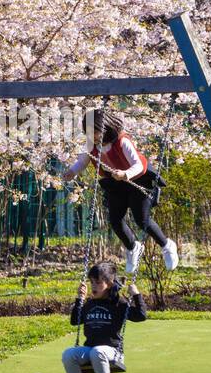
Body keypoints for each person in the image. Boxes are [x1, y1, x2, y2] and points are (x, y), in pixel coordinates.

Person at [63, 107, 178, 274]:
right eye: (87, 132)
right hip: (115, 184)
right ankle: (133, 247)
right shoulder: (91, 145)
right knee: (115, 220)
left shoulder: (122, 141)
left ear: (103, 127)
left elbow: (139, 164)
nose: (91, 136)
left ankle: (167, 245)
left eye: (93, 131)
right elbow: (83, 161)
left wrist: (126, 174)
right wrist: (73, 171)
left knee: (142, 220)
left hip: (138, 180)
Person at [63, 262, 147, 373]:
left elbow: (141, 316)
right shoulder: (90, 304)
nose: (93, 286)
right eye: (92, 282)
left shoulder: (118, 303)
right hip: (90, 349)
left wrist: (136, 295)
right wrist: (80, 299)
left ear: (110, 284)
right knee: (68, 354)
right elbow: (75, 321)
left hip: (113, 351)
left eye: (98, 282)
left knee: (98, 351)